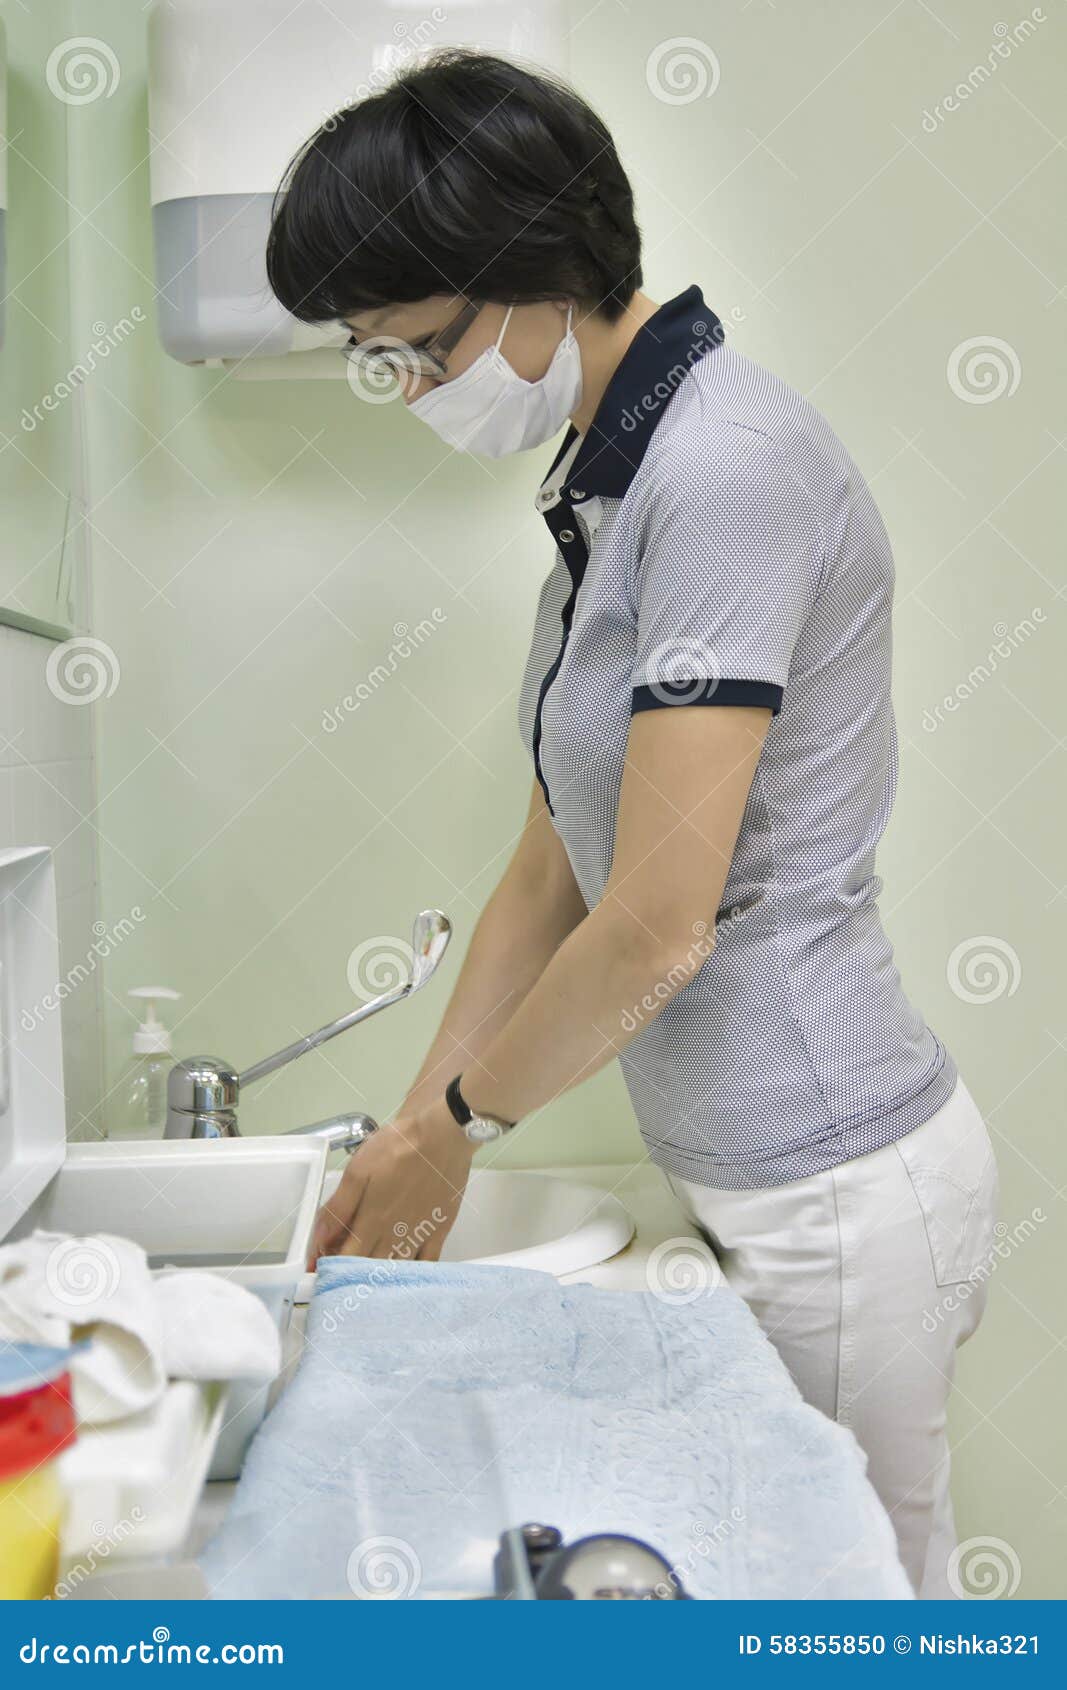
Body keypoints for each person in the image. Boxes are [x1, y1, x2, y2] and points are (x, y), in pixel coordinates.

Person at [264, 49, 998, 1598]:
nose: (402, 392)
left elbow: (660, 917)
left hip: (840, 1186)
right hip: (747, 1174)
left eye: (412, 349)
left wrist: (459, 1129)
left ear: (536, 279)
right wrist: (414, 1133)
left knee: (862, 1622)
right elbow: (547, 867)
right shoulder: (602, 501)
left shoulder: (723, 469)